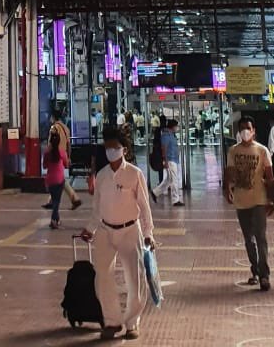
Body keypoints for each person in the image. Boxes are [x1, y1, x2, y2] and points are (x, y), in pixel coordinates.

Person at [81, 127, 154, 341]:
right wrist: (90, 228)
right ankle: (112, 321)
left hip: (130, 230)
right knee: (102, 276)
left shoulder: (134, 174)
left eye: (115, 147)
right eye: (108, 147)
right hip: (105, 230)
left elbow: (145, 206)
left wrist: (149, 232)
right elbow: (97, 208)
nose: (111, 151)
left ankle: (132, 322)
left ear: (124, 149)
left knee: (135, 278)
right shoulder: (102, 176)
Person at [225, 115, 274, 292]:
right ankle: (254, 270)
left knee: (261, 237)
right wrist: (227, 189)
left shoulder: (262, 151)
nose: (245, 131)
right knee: (249, 239)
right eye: (242, 129)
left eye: (248, 128)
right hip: (241, 201)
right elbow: (229, 172)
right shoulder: (233, 151)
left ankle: (264, 275)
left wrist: (271, 198)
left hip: (259, 200)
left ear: (254, 131)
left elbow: (269, 177)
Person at [45, 109, 82, 211]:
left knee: (56, 179)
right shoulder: (66, 128)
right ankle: (52, 201)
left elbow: (50, 144)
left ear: (53, 117)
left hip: (55, 155)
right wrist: (68, 157)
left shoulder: (54, 128)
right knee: (59, 178)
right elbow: (68, 144)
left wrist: (47, 155)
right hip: (63, 155)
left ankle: (74, 198)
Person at [155, 118, 184, 206]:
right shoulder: (166, 135)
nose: (177, 128)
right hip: (170, 160)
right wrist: (165, 161)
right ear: (173, 126)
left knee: (168, 180)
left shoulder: (171, 134)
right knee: (174, 180)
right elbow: (164, 148)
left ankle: (155, 192)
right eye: (176, 126)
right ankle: (176, 200)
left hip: (174, 159)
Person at [43, 129, 68, 230]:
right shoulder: (62, 153)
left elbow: (44, 166)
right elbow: (66, 165)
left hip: (49, 180)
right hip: (59, 180)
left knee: (54, 200)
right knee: (56, 202)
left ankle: (57, 220)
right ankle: (53, 220)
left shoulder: (47, 153)